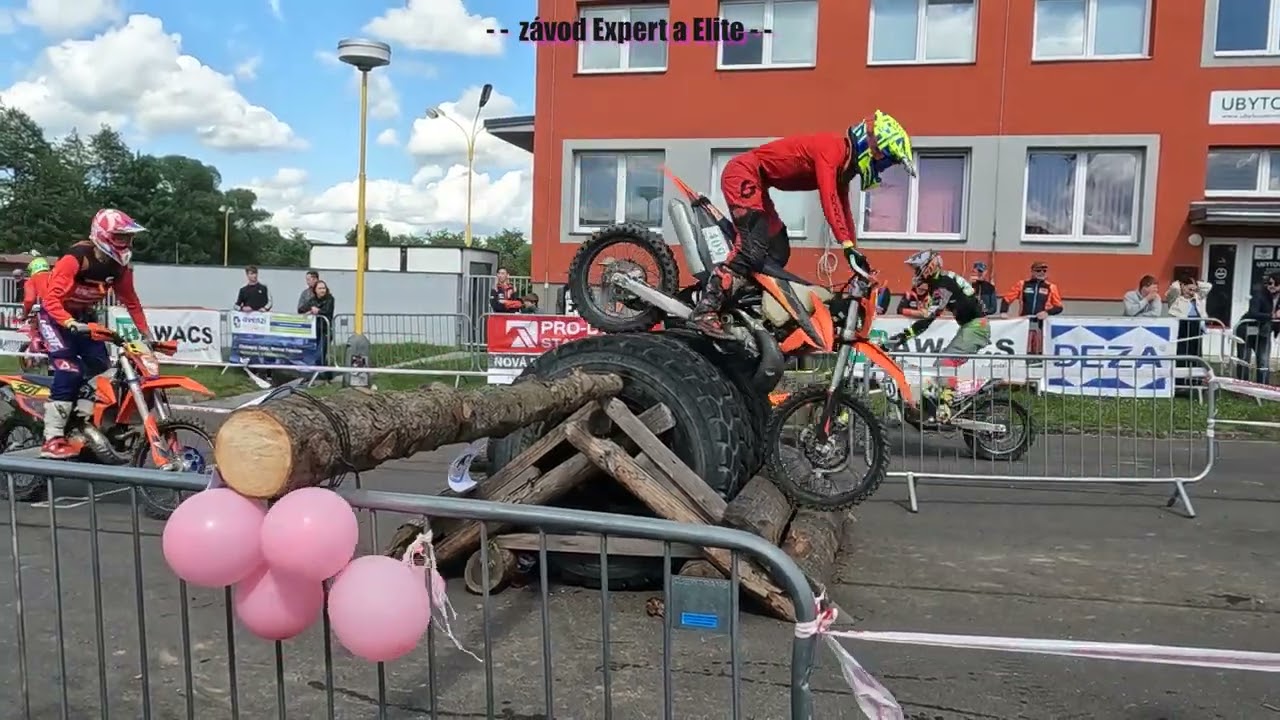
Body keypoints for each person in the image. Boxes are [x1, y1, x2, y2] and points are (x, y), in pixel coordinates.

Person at [689, 110, 917, 339]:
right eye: (884, 158)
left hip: (760, 184)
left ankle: (741, 299)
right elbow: (829, 200)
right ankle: (706, 310)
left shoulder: (844, 167)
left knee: (779, 249)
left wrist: (853, 250)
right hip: (744, 173)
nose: (883, 166)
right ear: (870, 145)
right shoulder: (832, 149)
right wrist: (846, 246)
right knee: (751, 251)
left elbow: (844, 208)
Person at [37, 209, 153, 459]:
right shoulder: (76, 258)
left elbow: (131, 301)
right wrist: (67, 321)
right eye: (120, 237)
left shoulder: (119, 267)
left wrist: (147, 334)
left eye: (128, 238)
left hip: (83, 319)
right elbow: (51, 299)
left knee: (101, 365)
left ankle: (80, 417)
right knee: (69, 369)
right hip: (55, 317)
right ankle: (52, 437)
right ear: (103, 235)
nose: (126, 243)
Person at [884, 251, 990, 422]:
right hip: (972, 325)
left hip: (976, 326)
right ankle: (937, 406)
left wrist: (903, 336)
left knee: (945, 363)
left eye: (918, 269)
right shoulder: (942, 280)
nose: (916, 273)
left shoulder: (941, 285)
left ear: (929, 266)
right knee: (937, 368)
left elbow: (928, 317)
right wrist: (906, 335)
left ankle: (946, 406)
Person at [999, 261, 1063, 354]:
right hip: (1024, 321)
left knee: (1040, 347)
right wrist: (1003, 312)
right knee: (1023, 346)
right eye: (1038, 270)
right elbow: (1007, 298)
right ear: (1032, 271)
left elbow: (1059, 307)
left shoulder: (1051, 287)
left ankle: (1039, 362)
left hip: (1042, 324)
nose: (1041, 273)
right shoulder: (1022, 284)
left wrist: (1047, 312)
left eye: (1044, 270)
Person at [1235, 271, 1279, 383]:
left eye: (1276, 284)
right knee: (1244, 360)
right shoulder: (1259, 294)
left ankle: (1263, 388)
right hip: (1246, 329)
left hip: (1264, 331)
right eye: (1269, 283)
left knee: (1263, 361)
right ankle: (1242, 387)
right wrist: (1272, 316)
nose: (1272, 286)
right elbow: (1252, 313)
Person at [301, 280, 335, 370]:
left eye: (324, 288)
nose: (322, 290)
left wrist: (318, 311)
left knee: (321, 353)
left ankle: (323, 374)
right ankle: (313, 372)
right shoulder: (312, 300)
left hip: (325, 329)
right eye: (320, 288)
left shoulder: (330, 299)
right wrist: (310, 310)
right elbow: (301, 309)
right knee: (312, 352)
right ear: (315, 290)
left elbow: (327, 311)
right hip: (314, 330)